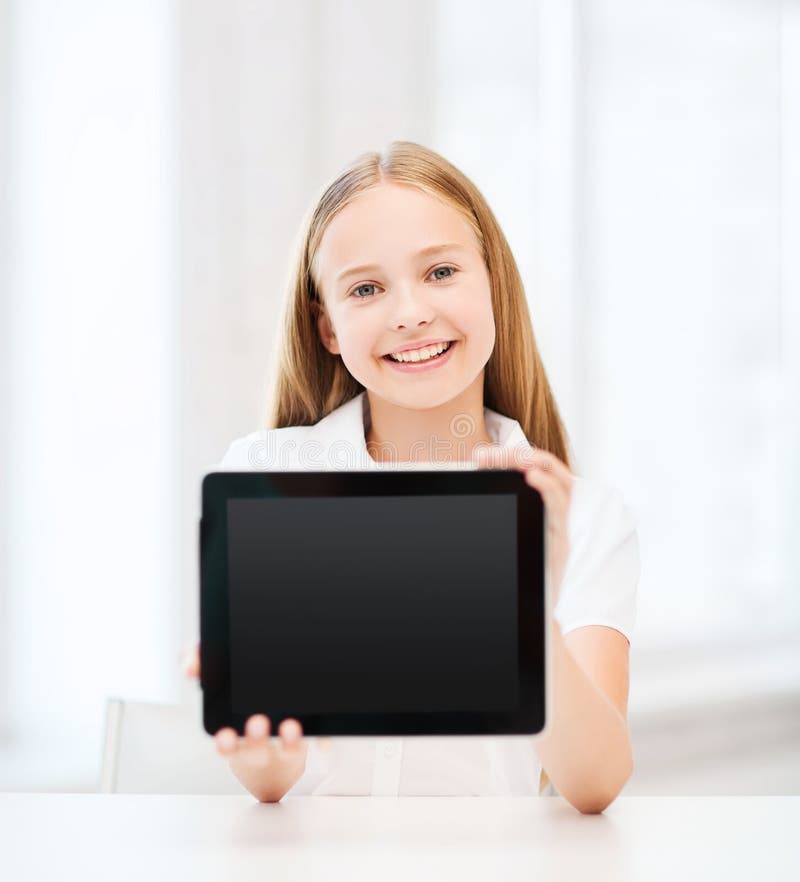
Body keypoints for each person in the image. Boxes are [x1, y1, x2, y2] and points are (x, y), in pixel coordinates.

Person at [182, 140, 639, 813]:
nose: (410, 314)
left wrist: (526, 607)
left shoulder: (583, 516)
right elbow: (273, 778)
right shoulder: (265, 479)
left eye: (441, 271)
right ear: (327, 328)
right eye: (366, 289)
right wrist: (265, 758)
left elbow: (594, 782)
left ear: (493, 285)